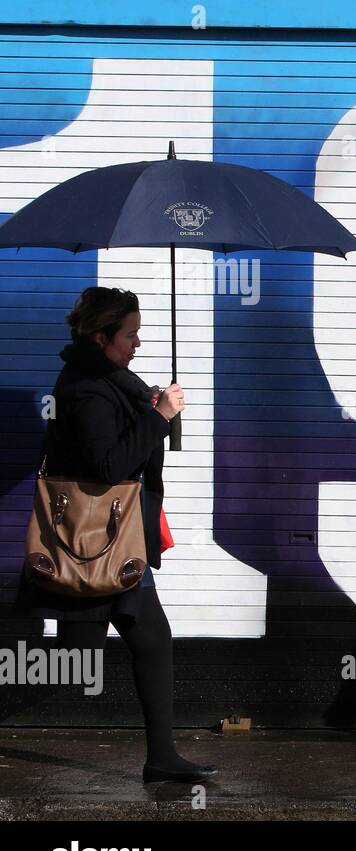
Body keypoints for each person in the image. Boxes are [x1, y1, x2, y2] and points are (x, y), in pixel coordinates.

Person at [12, 286, 216, 783]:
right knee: (77, 652)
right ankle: (161, 756)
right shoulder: (86, 389)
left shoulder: (112, 379)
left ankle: (161, 757)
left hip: (116, 539)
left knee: (150, 639)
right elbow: (109, 464)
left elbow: (128, 439)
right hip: (94, 540)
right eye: (129, 334)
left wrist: (154, 408)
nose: (138, 342)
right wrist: (159, 416)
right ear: (102, 336)